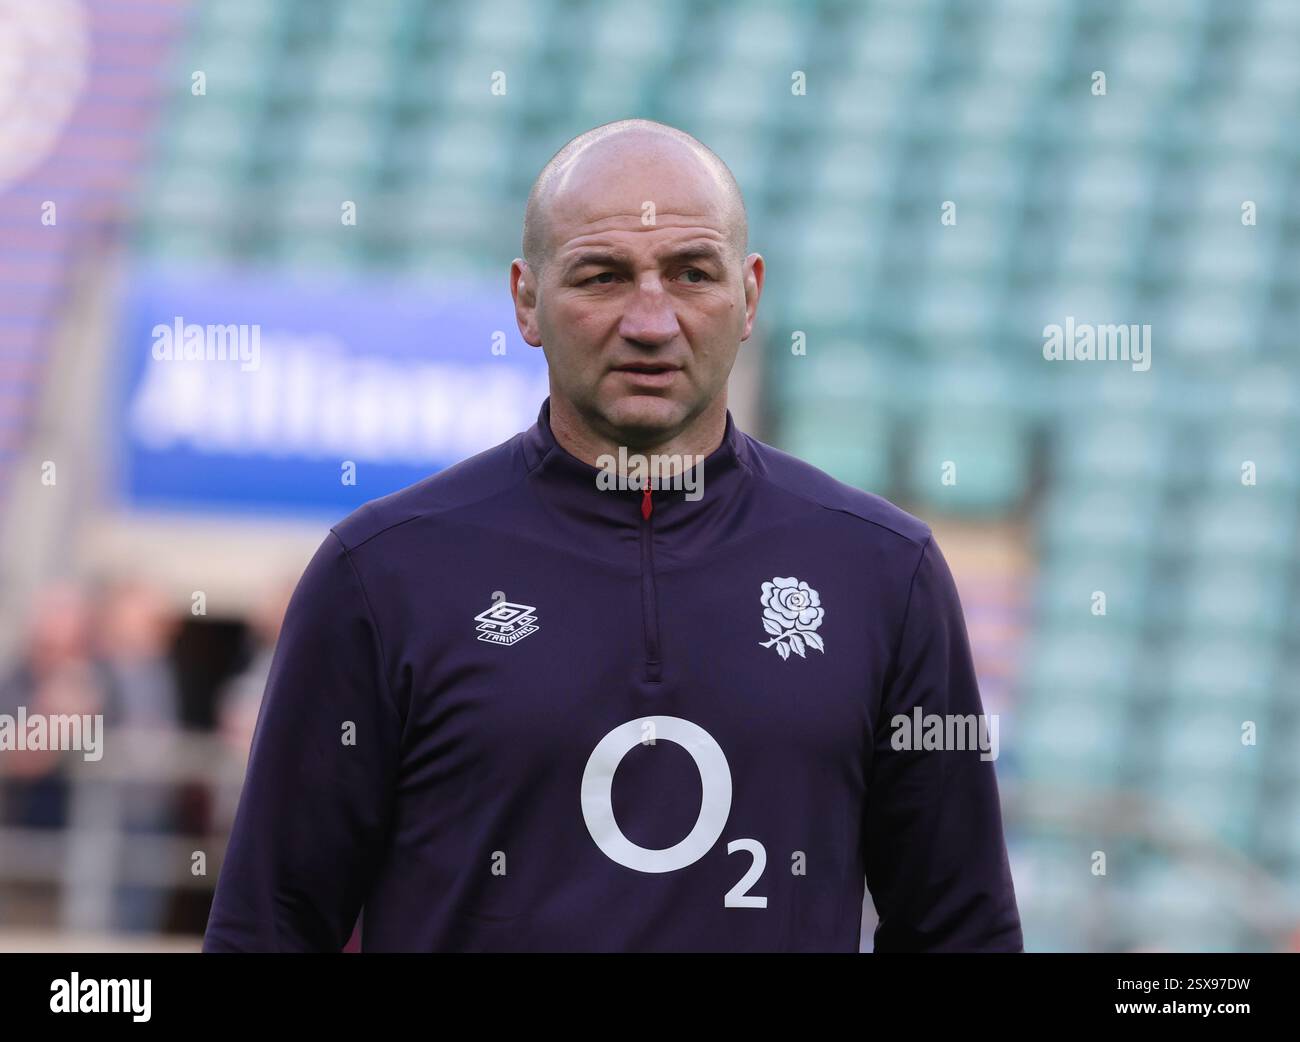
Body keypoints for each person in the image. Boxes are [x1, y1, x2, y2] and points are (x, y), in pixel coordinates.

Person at [203, 118, 1023, 952]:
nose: (651, 320)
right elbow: (270, 927)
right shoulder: (382, 573)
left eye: (692, 274)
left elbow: (960, 931)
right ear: (526, 300)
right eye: (602, 277)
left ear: (750, 296)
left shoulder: (882, 572)